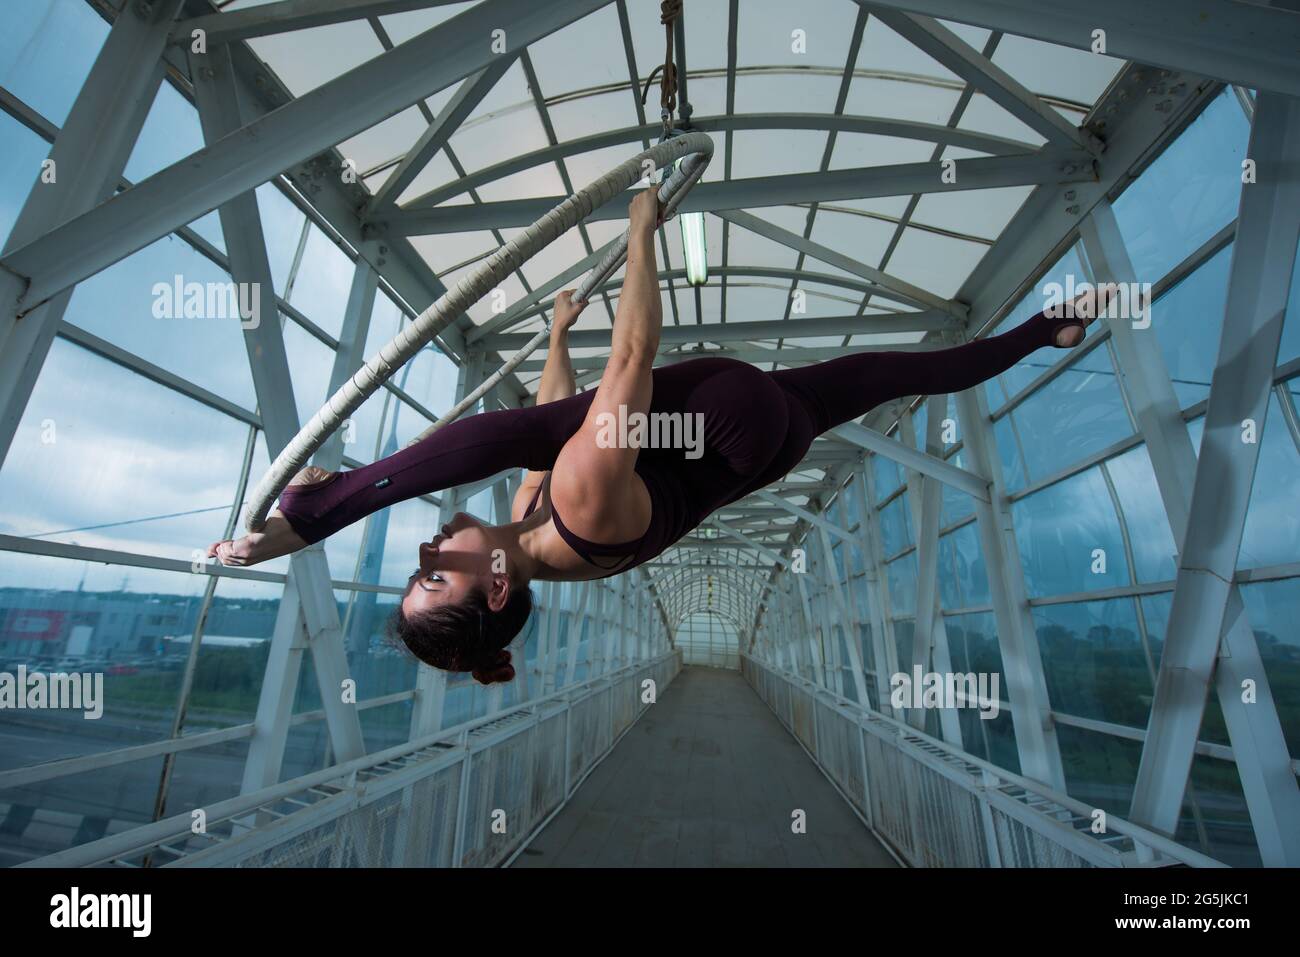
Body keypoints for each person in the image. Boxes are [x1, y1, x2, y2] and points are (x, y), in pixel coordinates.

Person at [208, 188, 1105, 685]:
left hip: (750, 435)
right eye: (430, 572)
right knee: (545, 425)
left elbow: (552, 425)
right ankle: (327, 508)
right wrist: (641, 229)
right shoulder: (579, 511)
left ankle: (1041, 332)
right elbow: (636, 352)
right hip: (727, 419)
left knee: (886, 373)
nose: (428, 546)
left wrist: (557, 338)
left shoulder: (533, 531)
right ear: (490, 589)